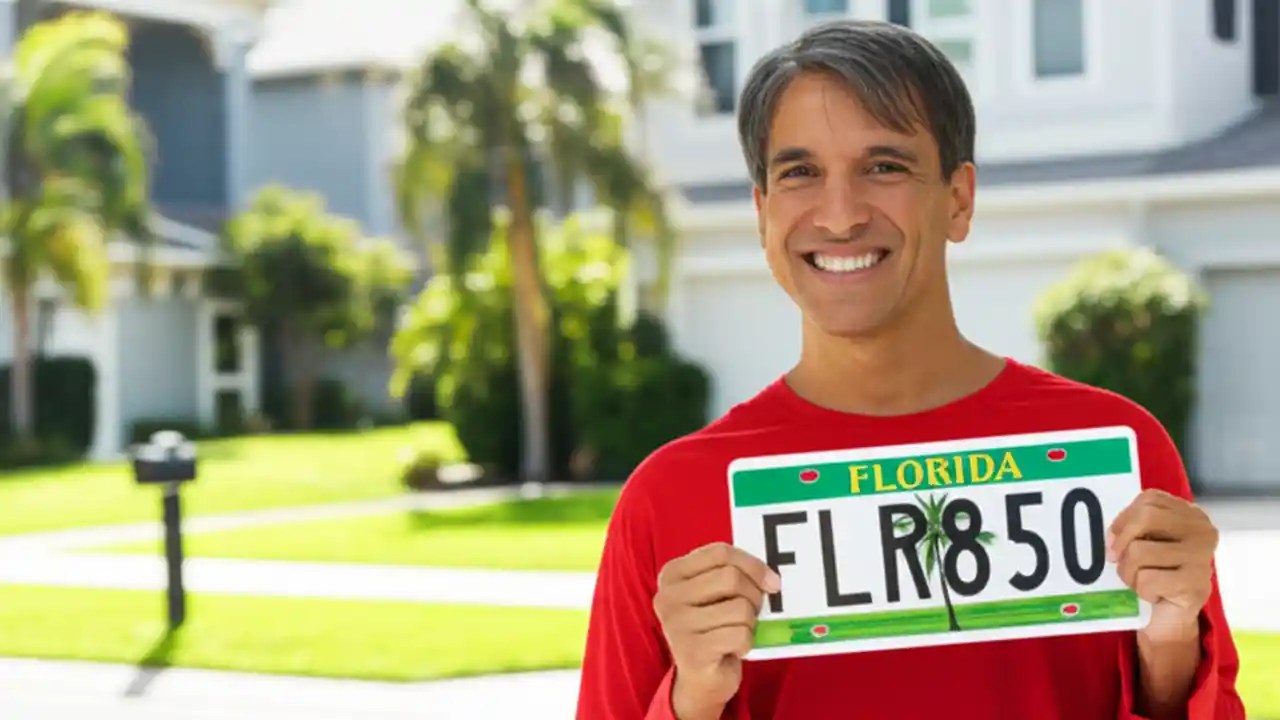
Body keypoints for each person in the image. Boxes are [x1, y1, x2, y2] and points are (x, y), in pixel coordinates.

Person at [575, 19, 1245, 720]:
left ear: (959, 199)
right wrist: (689, 700)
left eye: (884, 166)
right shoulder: (669, 499)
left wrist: (1171, 648)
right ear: (762, 211)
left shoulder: (1114, 455)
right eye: (800, 172)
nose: (838, 216)